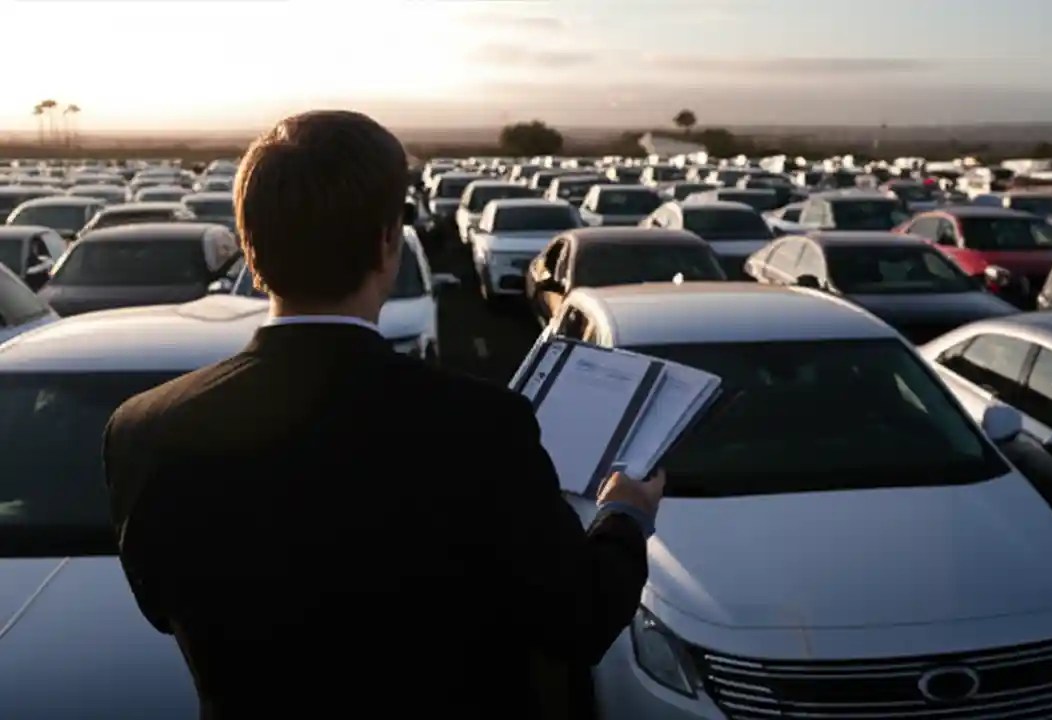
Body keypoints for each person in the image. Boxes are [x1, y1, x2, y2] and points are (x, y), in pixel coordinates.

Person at [102, 110, 664, 719]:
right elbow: (577, 622)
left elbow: (164, 609)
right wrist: (625, 516)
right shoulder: (482, 426)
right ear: (386, 242)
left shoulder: (143, 428)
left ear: (248, 243)